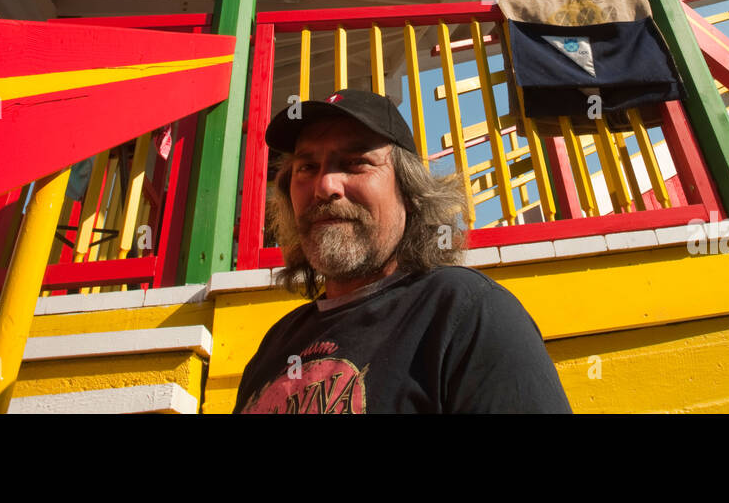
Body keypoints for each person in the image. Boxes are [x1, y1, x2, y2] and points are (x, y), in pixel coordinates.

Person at [233, 88, 572, 414]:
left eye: (354, 162)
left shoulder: (467, 311)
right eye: (307, 167)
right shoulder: (276, 345)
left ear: (409, 193)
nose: (325, 186)